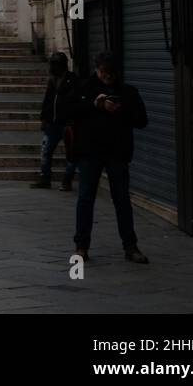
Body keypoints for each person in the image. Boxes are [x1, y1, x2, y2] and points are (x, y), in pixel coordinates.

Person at [65, 51, 150, 264]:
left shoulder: (128, 92)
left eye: (111, 73)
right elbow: (68, 112)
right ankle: (81, 246)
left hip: (117, 152)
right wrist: (95, 105)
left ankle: (130, 246)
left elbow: (141, 120)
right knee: (86, 199)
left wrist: (120, 110)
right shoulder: (84, 88)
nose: (107, 77)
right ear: (97, 69)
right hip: (90, 152)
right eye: (104, 72)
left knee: (122, 199)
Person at [31, 52, 79, 190]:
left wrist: (72, 119)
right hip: (52, 123)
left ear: (61, 65)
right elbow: (48, 100)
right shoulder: (52, 80)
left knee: (71, 154)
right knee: (46, 151)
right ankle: (45, 178)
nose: (52, 67)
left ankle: (67, 180)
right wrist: (44, 118)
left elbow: (74, 102)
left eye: (54, 64)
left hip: (67, 123)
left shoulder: (72, 80)